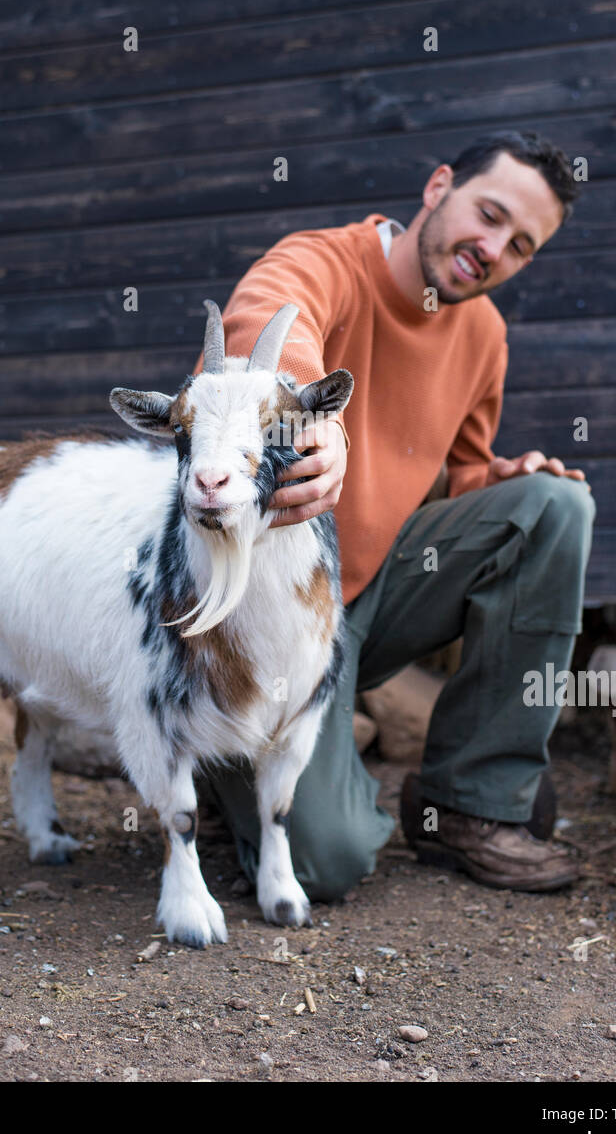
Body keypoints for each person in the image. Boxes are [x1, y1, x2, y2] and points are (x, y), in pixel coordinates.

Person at [195, 130, 595, 898]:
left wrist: (506, 478)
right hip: (270, 611)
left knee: (553, 506)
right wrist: (316, 422)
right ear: (437, 185)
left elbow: (462, 476)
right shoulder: (323, 260)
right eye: (487, 214)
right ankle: (223, 775)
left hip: (370, 600)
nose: (492, 248)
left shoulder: (482, 335)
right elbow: (264, 329)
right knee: (327, 861)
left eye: (520, 245)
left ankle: (471, 804)